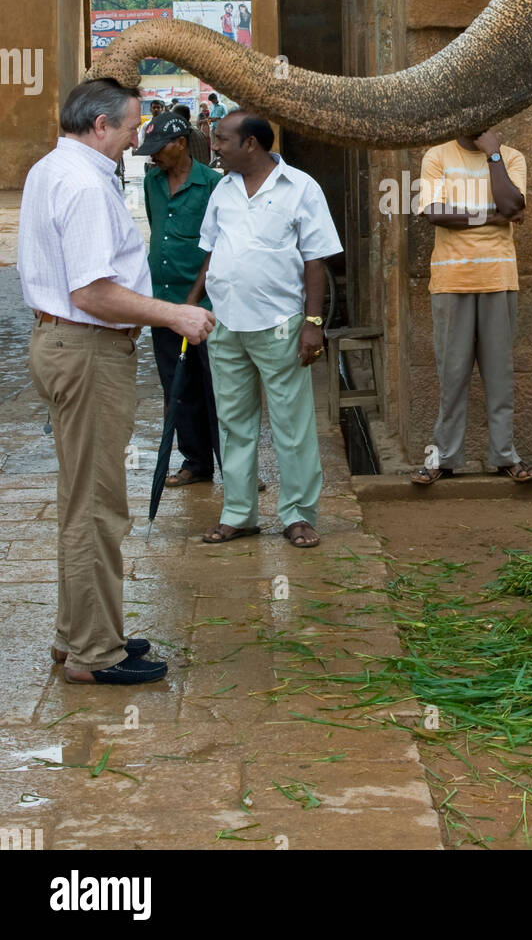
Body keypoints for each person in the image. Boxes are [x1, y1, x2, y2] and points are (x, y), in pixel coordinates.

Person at [18, 79, 214, 685]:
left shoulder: (54, 168)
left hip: (65, 343)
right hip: (88, 349)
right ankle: (93, 654)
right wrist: (175, 313)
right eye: (132, 127)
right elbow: (94, 292)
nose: (138, 140)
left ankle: (79, 632)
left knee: (83, 498)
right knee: (98, 507)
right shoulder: (81, 183)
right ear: (100, 126)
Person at [187, 111, 342, 547]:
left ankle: (298, 515)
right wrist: (193, 302)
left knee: (292, 425)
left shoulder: (300, 188)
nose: (214, 146)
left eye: (221, 139)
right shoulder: (223, 189)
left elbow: (316, 258)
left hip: (280, 325)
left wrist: (313, 322)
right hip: (227, 324)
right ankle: (239, 514)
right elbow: (212, 250)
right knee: (234, 424)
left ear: (250, 144)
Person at [412, 128, 532, 486]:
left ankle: (505, 455)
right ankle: (444, 457)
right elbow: (435, 213)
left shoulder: (510, 157)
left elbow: (513, 206)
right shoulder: (437, 156)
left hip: (498, 279)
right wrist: (491, 216)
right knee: (451, 377)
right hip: (452, 282)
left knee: (500, 378)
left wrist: (493, 155)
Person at [136, 110, 222, 488]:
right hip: (164, 303)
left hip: (205, 306)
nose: (153, 157)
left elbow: (219, 247)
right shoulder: (151, 182)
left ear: (182, 144)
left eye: (159, 149)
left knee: (219, 389)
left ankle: (235, 468)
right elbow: (159, 233)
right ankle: (196, 462)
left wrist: (193, 297)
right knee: (178, 386)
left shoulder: (214, 185)